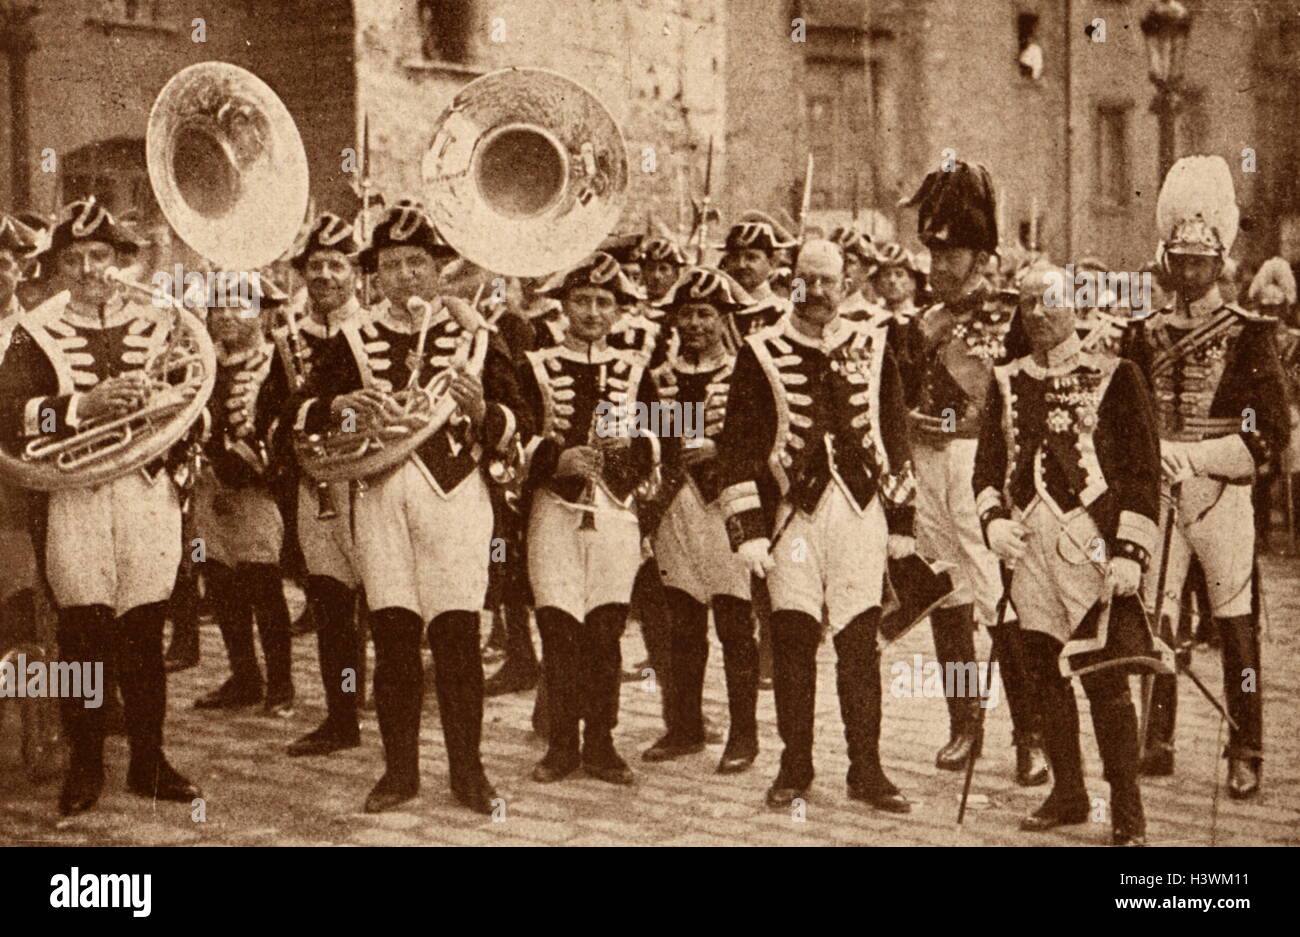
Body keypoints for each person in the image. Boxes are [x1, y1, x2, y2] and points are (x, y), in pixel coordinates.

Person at [295, 203, 524, 814]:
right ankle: (399, 772)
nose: (402, 276)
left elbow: (520, 421)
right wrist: (344, 405)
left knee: (455, 637)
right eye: (390, 265)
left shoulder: (476, 334)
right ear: (375, 275)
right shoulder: (352, 337)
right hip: (376, 497)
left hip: (454, 497)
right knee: (393, 638)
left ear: (438, 268)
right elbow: (299, 417)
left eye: (415, 263)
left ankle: (468, 772)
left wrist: (482, 413)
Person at [0, 198, 201, 815]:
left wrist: (175, 415)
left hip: (147, 492)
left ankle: (149, 760)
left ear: (120, 261)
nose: (90, 269)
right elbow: (8, 418)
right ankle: (85, 765)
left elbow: (196, 398)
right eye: (75, 258)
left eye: (101, 256)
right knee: (83, 637)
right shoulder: (34, 329)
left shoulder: (160, 323)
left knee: (143, 629)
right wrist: (82, 409)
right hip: (73, 498)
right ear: (58, 268)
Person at [716, 238, 913, 812]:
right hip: (792, 519)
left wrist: (902, 519)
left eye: (829, 280)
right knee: (794, 642)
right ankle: (795, 764)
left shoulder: (874, 346)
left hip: (859, 515)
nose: (819, 291)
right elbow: (738, 447)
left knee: (858, 646)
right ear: (790, 282)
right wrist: (747, 530)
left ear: (845, 283)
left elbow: (894, 434)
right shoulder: (760, 351)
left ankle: (867, 769)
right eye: (808, 279)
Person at [973, 262, 1163, 845]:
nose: (1035, 315)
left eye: (1047, 302)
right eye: (1026, 304)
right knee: (1041, 676)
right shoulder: (1006, 380)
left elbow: (1141, 471)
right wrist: (993, 523)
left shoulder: (1116, 374)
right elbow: (986, 469)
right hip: (1028, 551)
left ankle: (1127, 812)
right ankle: (1068, 792)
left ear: (1074, 305)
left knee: (1104, 681)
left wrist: (1131, 550)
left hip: (1093, 549)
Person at [1121, 156, 1290, 800]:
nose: (1189, 273)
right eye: (1180, 261)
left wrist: (1197, 456)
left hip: (1222, 497)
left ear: (1218, 263)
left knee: (1235, 628)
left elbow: (1266, 434)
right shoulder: (1142, 335)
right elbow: (1124, 421)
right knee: (1156, 619)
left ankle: (1245, 748)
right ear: (1167, 262)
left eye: (1200, 262)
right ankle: (1156, 738)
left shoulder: (1250, 337)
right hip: (1160, 498)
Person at [899, 162, 1048, 785]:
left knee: (999, 600)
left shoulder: (1011, 317)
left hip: (979, 468)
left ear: (981, 254)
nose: (938, 264)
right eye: (932, 251)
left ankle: (1032, 734)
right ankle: (966, 724)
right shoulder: (919, 320)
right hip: (927, 464)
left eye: (951, 252)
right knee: (945, 595)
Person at [518, 251, 661, 786]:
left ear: (619, 309)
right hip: (553, 511)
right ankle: (560, 745)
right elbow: (513, 437)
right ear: (564, 306)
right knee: (557, 628)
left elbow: (659, 437)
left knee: (605, 631)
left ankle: (601, 744)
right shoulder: (535, 365)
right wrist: (553, 460)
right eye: (582, 300)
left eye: (605, 302)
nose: (594, 312)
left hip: (615, 512)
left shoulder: (635, 370)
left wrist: (630, 449)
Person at [643, 266, 759, 773]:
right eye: (686, 314)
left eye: (706, 315)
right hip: (673, 509)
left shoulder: (746, 373)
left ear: (724, 320)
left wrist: (721, 447)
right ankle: (685, 727)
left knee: (735, 625)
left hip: (726, 506)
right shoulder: (659, 378)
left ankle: (744, 735)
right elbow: (645, 438)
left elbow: (763, 441)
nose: (694, 324)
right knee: (683, 625)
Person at [269, 214, 367, 758]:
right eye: (316, 266)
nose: (326, 274)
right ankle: (342, 716)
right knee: (331, 608)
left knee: (392, 606)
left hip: (377, 484)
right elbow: (275, 417)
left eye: (338, 264)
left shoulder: (378, 329)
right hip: (319, 490)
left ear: (356, 273)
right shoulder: (288, 340)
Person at [191, 278, 295, 717]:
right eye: (219, 308)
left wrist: (249, 463)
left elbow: (285, 423)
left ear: (264, 314)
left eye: (240, 307)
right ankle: (244, 676)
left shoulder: (277, 363)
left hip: (255, 487)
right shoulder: (202, 363)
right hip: (207, 484)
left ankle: (282, 684)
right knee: (220, 583)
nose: (227, 316)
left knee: (263, 585)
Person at [718, 211, 796, 349]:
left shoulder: (785, 312)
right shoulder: (718, 310)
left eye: (751, 257)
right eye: (735, 257)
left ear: (772, 262)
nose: (741, 265)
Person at [828, 224, 880, 320]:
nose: (841, 268)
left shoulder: (875, 317)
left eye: (849, 261)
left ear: (866, 270)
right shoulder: (816, 312)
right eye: (835, 260)